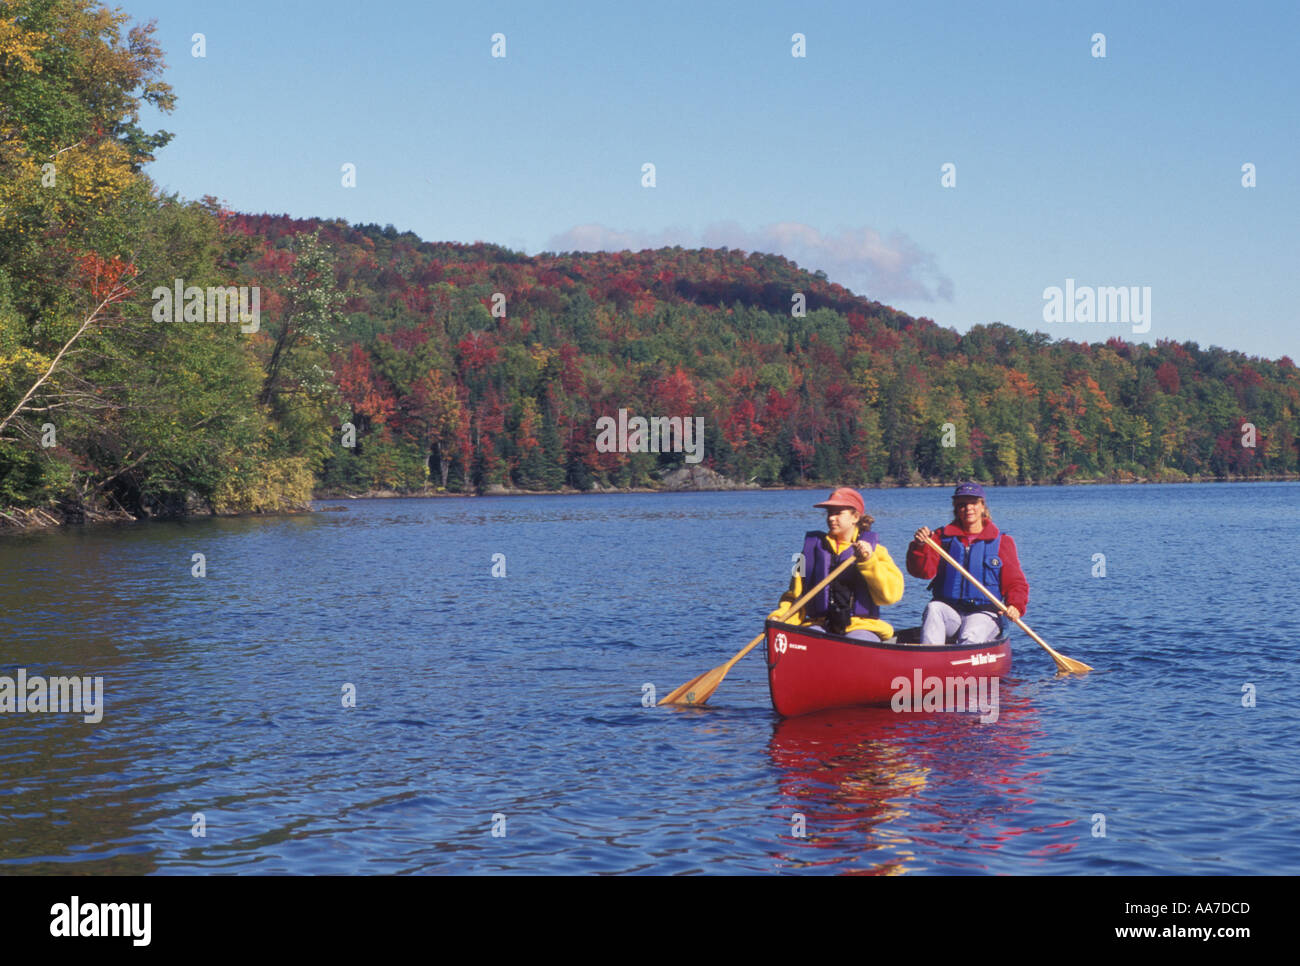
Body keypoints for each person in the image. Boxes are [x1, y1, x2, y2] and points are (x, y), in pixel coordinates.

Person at [768, 487, 903, 641]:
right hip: (820, 625)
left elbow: (891, 596)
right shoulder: (806, 552)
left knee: (856, 642)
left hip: (861, 627)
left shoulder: (876, 551)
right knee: (807, 638)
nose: (831, 518)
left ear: (855, 517)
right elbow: (794, 596)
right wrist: (779, 619)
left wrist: (868, 562)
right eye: (829, 513)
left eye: (838, 513)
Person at [906, 482, 1028, 645]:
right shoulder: (940, 538)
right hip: (950, 611)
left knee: (970, 635)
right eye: (962, 504)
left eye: (973, 503)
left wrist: (1015, 605)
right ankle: (928, 660)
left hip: (985, 613)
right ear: (956, 509)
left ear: (983, 506)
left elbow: (1016, 582)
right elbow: (922, 572)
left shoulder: (1002, 542)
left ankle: (962, 662)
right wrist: (920, 546)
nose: (968, 508)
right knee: (933, 608)